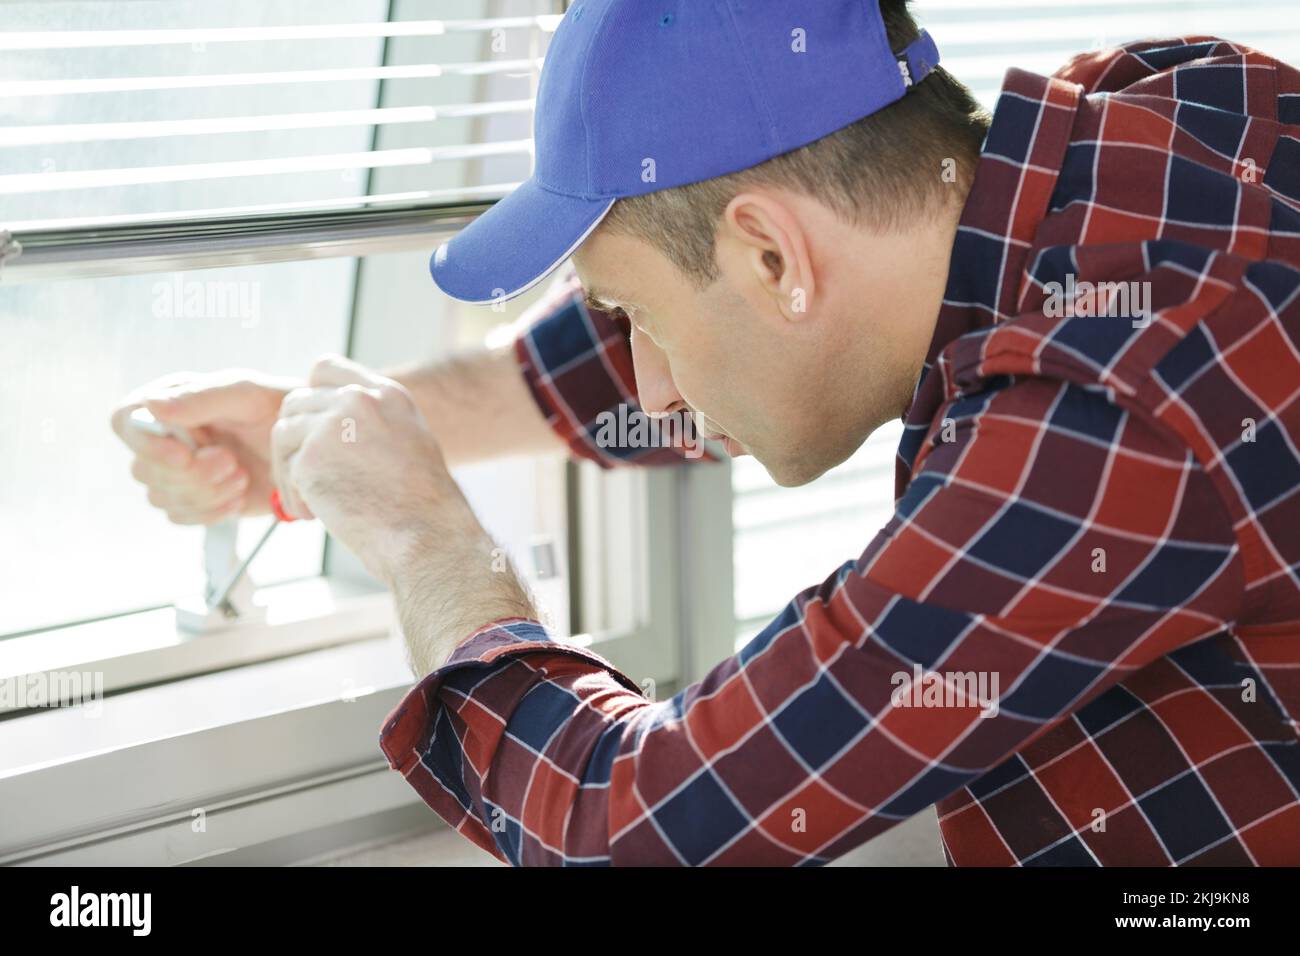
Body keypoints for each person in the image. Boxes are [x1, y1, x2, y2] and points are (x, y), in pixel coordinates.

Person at [112, 0, 1300, 866]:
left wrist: (426, 541)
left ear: (773, 255)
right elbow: (735, 330)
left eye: (635, 314)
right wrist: (370, 429)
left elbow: (624, 831)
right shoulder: (1180, 105)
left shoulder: (1104, 423)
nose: (658, 391)